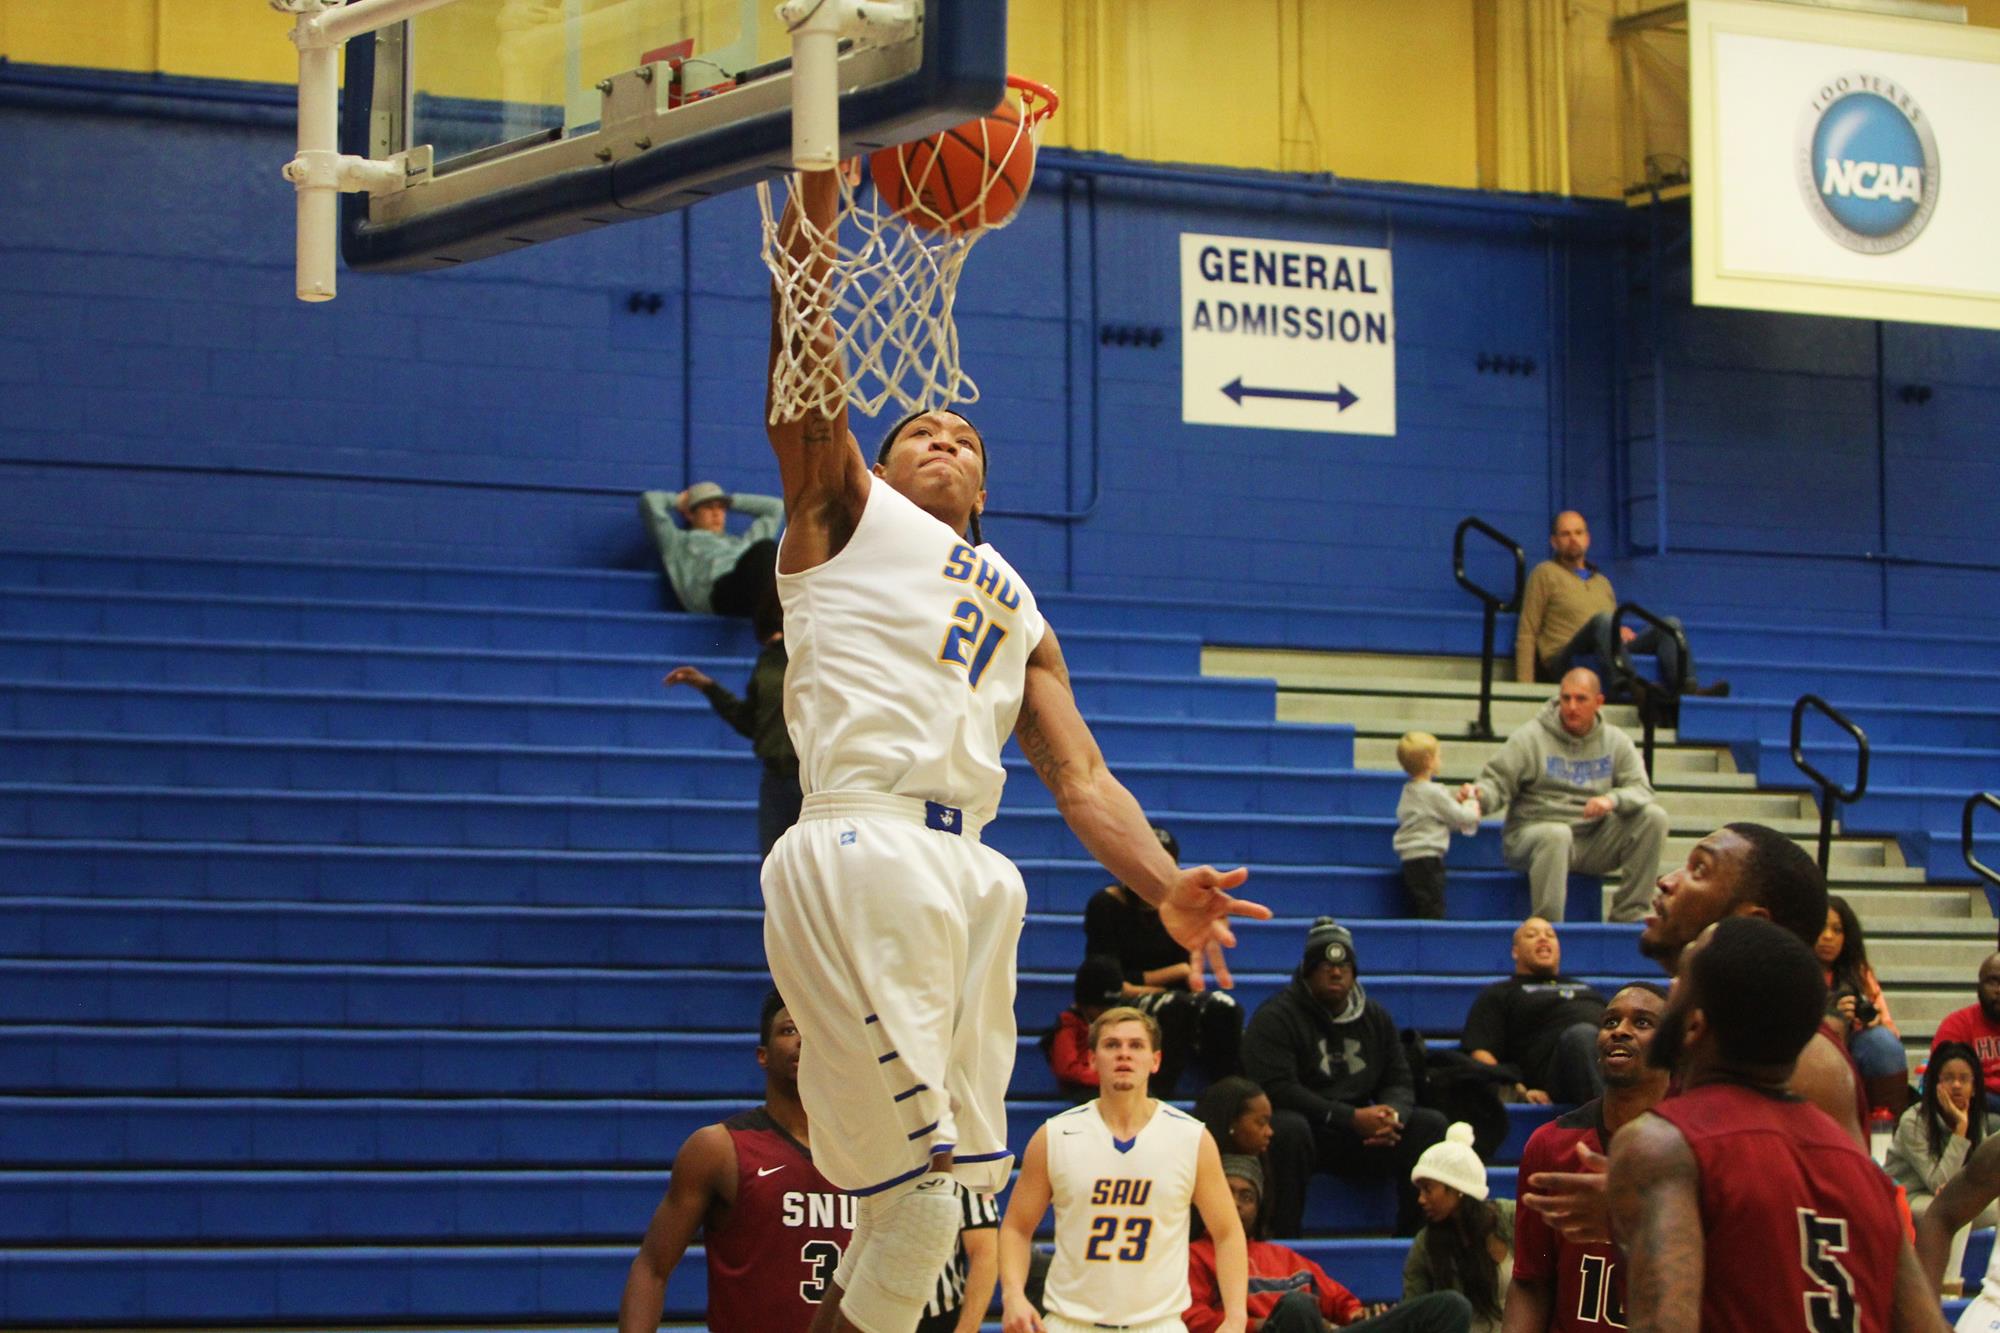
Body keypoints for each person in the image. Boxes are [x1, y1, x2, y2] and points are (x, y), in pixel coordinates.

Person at [758, 168, 1267, 1333]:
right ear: (881, 468)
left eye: (963, 434)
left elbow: (1078, 776)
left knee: (936, 1213)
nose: (942, 436)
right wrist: (818, 216)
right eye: (917, 432)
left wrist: (1161, 889)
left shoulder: (1015, 598)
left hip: (973, 873)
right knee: (930, 1204)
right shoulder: (844, 513)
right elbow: (803, 378)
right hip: (861, 835)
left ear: (983, 486)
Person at [1521, 823, 1866, 1246]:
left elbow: (1844, 1248)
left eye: (1699, 870)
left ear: (1749, 922)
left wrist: (1641, 1216)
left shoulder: (1801, 1062)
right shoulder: (1707, 1047)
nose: (1667, 881)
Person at [1605, 917, 1944, 1333]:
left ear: (1694, 1025)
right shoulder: (1862, 1170)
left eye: (1681, 979)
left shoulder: (1661, 1144)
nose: (1669, 988)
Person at [999, 1007, 1248, 1333]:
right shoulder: (1055, 1135)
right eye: (1112, 1045)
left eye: (1136, 1045)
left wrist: (1236, 1316)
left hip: (1158, 1324)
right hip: (1071, 1323)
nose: (1124, 1055)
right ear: (1091, 1059)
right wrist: (1013, 1295)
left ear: (1155, 1060)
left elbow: (1228, 1233)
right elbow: (1016, 1228)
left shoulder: (1191, 1138)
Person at [618, 991, 850, 1333]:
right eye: (789, 1030)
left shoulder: (869, 1157)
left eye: (815, 1031)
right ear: (762, 1056)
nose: (803, 1040)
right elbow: (652, 1267)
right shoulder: (718, 1149)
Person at [1242, 917, 1449, 1236]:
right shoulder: (1277, 1016)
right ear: (1308, 970)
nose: (1336, 972)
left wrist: (1391, 1115)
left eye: (1344, 966)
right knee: (1285, 1128)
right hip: (1312, 1132)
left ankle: (1416, 1241)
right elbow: (1276, 1088)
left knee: (1430, 1125)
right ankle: (1283, 1242)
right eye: (1325, 965)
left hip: (1365, 1134)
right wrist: (1347, 1117)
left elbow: (1399, 1079)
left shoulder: (1375, 1017)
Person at [1502, 982, 1670, 1333]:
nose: (1619, 1031)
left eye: (1642, 1023)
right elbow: (1531, 1281)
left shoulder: (1704, 1147)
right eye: (1610, 1022)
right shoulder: (1550, 1145)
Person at [1458, 668, 1668, 924]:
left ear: (1598, 703)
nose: (1571, 706)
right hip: (1533, 835)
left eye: (1581, 699)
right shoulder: (1531, 737)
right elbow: (1496, 782)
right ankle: (1547, 928)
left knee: (1653, 817)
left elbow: (1642, 789)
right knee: (1557, 834)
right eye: (1565, 698)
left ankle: (1628, 916)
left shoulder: (1616, 741)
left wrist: (1611, 800)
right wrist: (1479, 796)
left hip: (1590, 839)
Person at [1188, 1153, 1476, 1333]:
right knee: (1297, 1308)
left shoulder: (1284, 1257)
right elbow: (1191, 1320)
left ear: (1259, 1208)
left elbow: (1338, 1300)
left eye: (1247, 1197)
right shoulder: (1194, 1256)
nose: (1236, 1204)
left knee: (1451, 1307)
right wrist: (1259, 1326)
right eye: (1227, 1193)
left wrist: (1355, 1313)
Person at [1084, 824, 1245, 1095]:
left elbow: (1190, 975)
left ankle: (1228, 1098)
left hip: (1171, 995)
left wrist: (1179, 974)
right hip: (1123, 999)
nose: (1153, 875)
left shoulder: (1181, 905)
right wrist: (1175, 973)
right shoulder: (1106, 904)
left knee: (1224, 1006)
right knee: (1174, 1007)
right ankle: (1156, 1097)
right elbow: (1111, 982)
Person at [1512, 511, 1725, 699]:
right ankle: (1632, 685)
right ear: (1554, 542)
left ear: (1587, 539)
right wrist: (1526, 687)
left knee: (1670, 624)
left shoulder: (1602, 582)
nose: (1573, 539)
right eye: (1565, 534)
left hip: (1603, 649)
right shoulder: (1544, 573)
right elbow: (1527, 631)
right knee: (1603, 621)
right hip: (1565, 657)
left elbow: (1609, 624)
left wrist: (1619, 629)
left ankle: (1686, 690)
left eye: (1578, 533)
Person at [662, 597, 799, 855]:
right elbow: (753, 723)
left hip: (814, 778)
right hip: (776, 779)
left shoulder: (815, 657)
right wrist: (709, 688)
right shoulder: (767, 660)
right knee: (773, 868)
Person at [1460, 917, 1606, 1107]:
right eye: (1532, 935)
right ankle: (1614, 1132)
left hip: (1607, 1057)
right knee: (1582, 1036)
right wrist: (1516, 1088)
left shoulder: (1585, 989)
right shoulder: (1500, 992)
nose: (1543, 939)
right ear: (1515, 951)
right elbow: (1481, 1050)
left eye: (1550, 935)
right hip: (1558, 1074)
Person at [1402, 1123, 1512, 1333]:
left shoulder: (1511, 1218)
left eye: (1428, 1189)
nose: (1421, 1199)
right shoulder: (1425, 1244)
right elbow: (1411, 1312)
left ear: (1457, 1189)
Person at [1193, 1074, 1312, 1243]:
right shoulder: (1187, 1170)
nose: (1270, 1132)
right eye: (1261, 1123)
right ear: (1232, 1123)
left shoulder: (1271, 1162)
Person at [1817, 895, 1909, 1114]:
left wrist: (1873, 1022)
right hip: (1812, 1049)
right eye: (1822, 928)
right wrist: (1830, 1017)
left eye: (1837, 930)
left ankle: (1887, 1128)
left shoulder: (1859, 973)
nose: (1828, 936)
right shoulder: (1791, 968)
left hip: (1855, 1048)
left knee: (1882, 1042)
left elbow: (1890, 1032)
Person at [639, 481, 785, 617]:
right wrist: (679, 501)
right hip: (717, 593)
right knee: (766, 551)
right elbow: (649, 501)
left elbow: (776, 508)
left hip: (749, 589)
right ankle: (775, 628)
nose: (716, 513)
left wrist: (731, 501)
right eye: (708, 507)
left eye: (721, 507)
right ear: (690, 514)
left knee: (776, 553)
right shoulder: (678, 541)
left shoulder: (740, 543)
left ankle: (778, 631)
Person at [1889, 1043, 1995, 1216]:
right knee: (1953, 1209)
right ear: (1935, 1084)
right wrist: (1960, 1129)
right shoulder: (1913, 1120)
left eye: (1964, 1079)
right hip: (1910, 1196)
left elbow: (1980, 1173)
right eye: (1948, 1078)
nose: (1956, 1085)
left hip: (1950, 1196)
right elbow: (1939, 1182)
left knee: (1992, 1208)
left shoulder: (1975, 1118)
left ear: (1974, 1088)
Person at [1393, 731, 1483, 920]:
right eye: (1438, 756)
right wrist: (1472, 804)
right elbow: (1461, 817)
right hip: (1428, 859)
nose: (1440, 760)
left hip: (1410, 859)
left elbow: (1435, 816)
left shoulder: (1409, 792)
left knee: (1420, 903)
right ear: (1428, 761)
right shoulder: (1433, 792)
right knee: (1433, 905)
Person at [1045, 955, 1126, 1101]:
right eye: (1099, 1007)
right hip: (1083, 1089)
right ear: (1084, 1004)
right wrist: (1108, 1079)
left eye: (1111, 1007)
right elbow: (1067, 1069)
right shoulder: (1068, 1025)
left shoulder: (1119, 1022)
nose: (1106, 1013)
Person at [1929, 952, 2000, 1111]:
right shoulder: (1956, 1025)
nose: (1999, 990)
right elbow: (1942, 1083)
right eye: (1993, 982)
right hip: (1978, 1106)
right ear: (1979, 986)